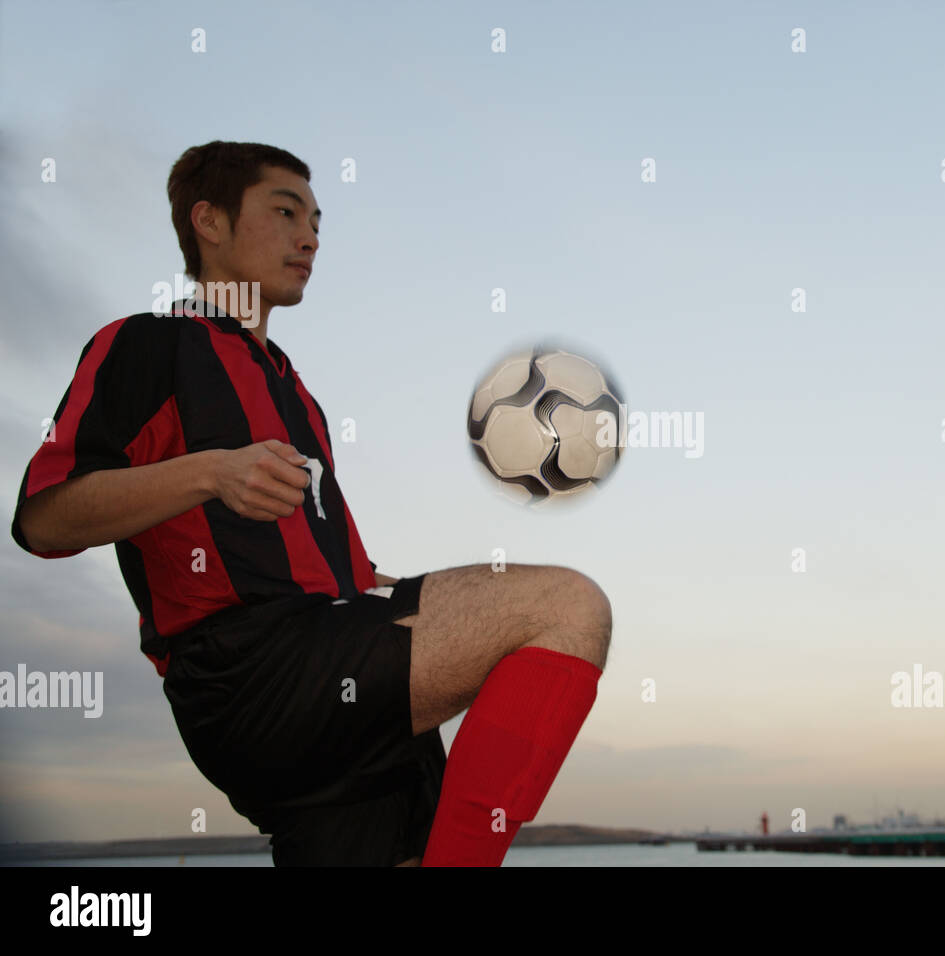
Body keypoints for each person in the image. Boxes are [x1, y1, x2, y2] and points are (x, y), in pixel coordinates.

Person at [10, 141, 612, 867]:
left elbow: (326, 564)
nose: (310, 239)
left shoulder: (298, 394)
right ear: (209, 221)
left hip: (329, 679)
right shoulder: (147, 345)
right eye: (286, 212)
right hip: (249, 675)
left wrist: (380, 582)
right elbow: (44, 518)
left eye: (318, 222)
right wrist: (207, 472)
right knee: (566, 607)